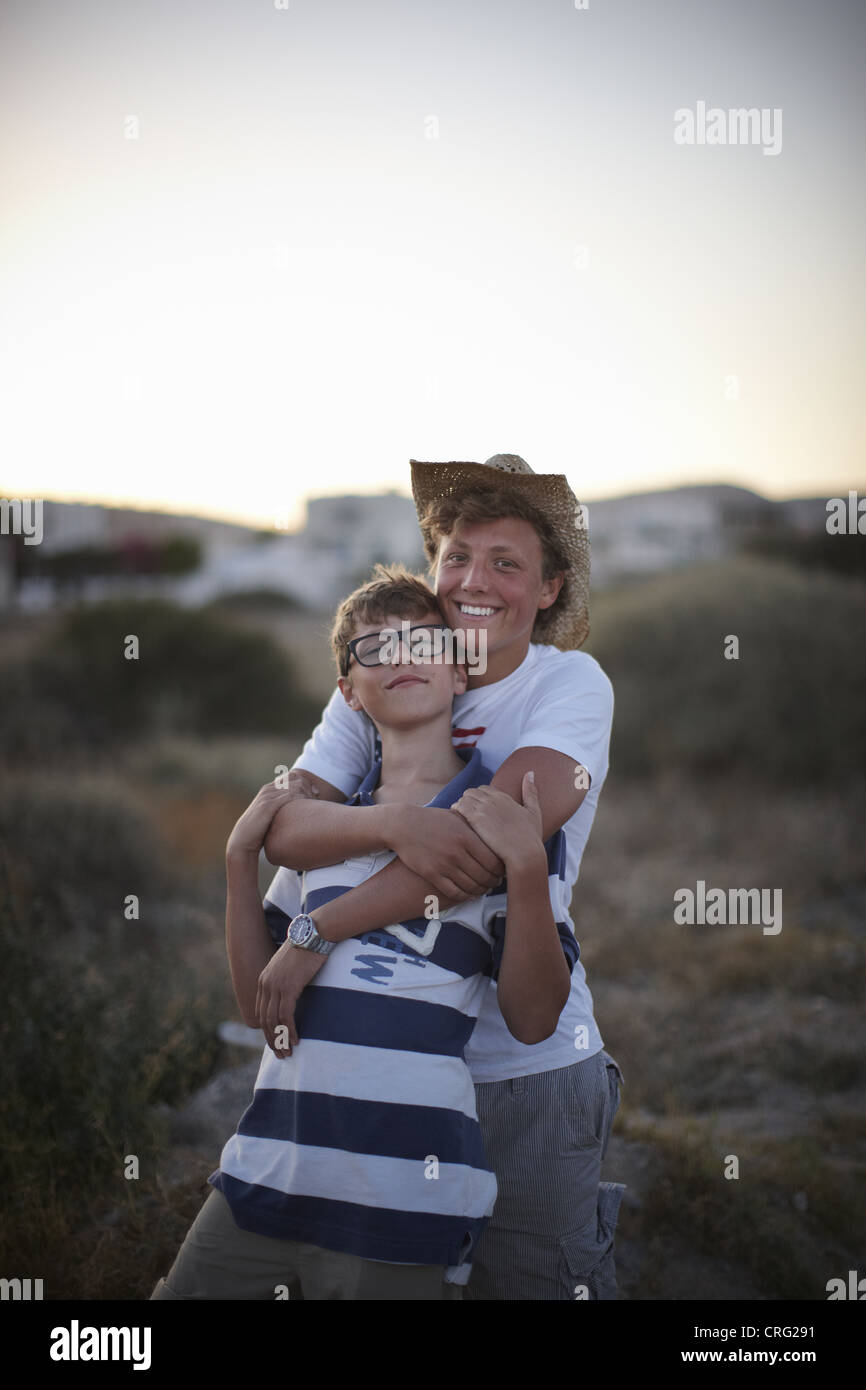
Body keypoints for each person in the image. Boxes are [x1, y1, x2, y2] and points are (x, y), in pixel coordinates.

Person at [151, 567, 577, 1300]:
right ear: (348, 691)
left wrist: (530, 867)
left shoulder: (501, 822)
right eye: (373, 648)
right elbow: (262, 1011)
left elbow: (536, 1019)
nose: (402, 655)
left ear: (457, 668)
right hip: (265, 1172)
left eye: (423, 640)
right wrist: (235, 864)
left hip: (404, 1192)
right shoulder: (321, 837)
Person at [257, 454, 625, 1300]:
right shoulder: (397, 668)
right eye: (457, 555)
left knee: (531, 1285)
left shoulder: (569, 684)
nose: (474, 580)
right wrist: (393, 822)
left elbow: (484, 848)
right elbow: (286, 821)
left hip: (520, 1069)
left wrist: (322, 926)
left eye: (507, 562)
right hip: (386, 1061)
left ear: (549, 588)